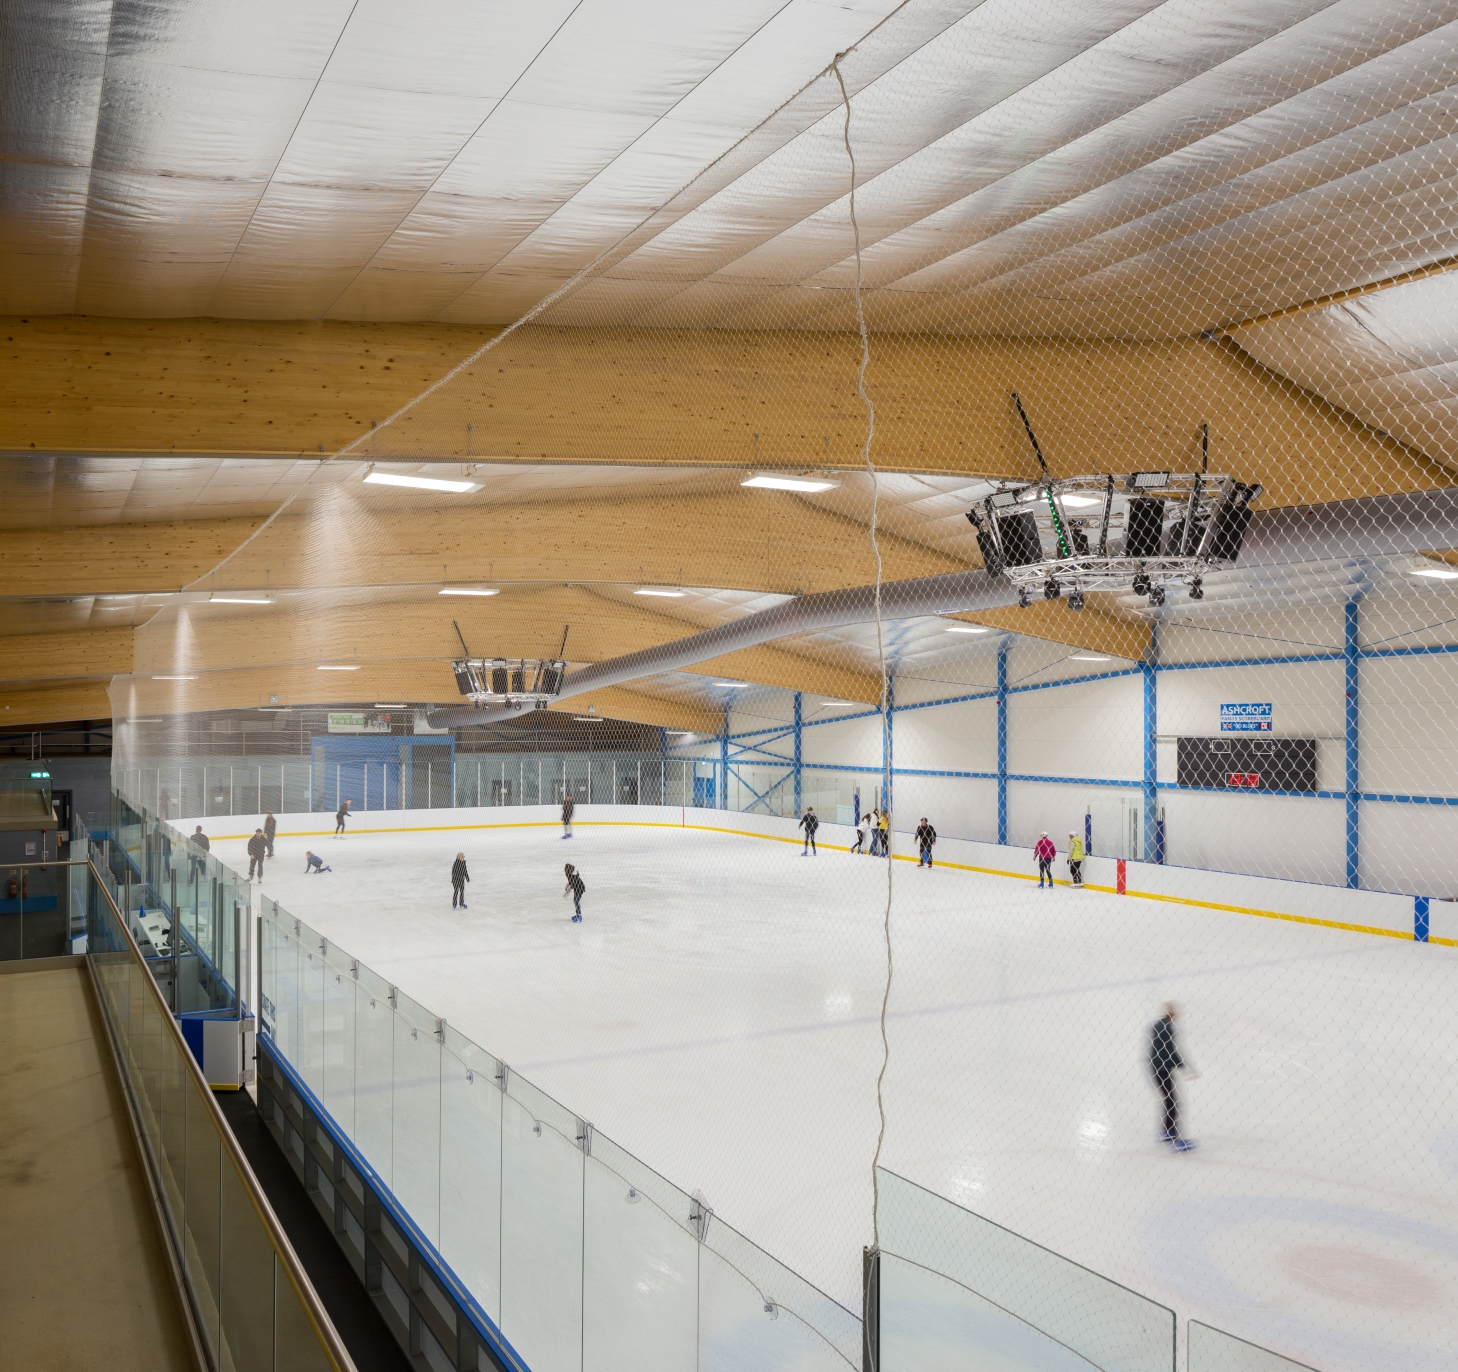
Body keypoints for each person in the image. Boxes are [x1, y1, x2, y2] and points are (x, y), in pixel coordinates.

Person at [1149, 1003, 1199, 1150]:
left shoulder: (1158, 1025)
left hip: (1156, 1068)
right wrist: (1186, 1068)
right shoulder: (1167, 1028)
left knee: (1169, 1100)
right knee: (1173, 1102)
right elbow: (1171, 1050)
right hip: (1163, 1069)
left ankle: (1167, 1131)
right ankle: (1176, 1140)